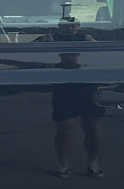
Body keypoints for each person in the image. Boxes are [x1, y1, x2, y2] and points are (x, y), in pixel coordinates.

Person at [38, 17, 105, 178]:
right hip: (64, 84)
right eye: (66, 27)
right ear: (60, 28)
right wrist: (45, 41)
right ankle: (63, 165)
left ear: (80, 27)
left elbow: (105, 55)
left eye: (74, 26)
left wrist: (94, 43)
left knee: (94, 127)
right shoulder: (53, 38)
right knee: (66, 127)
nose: (70, 30)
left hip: (88, 84)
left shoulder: (88, 39)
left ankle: (94, 164)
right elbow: (30, 52)